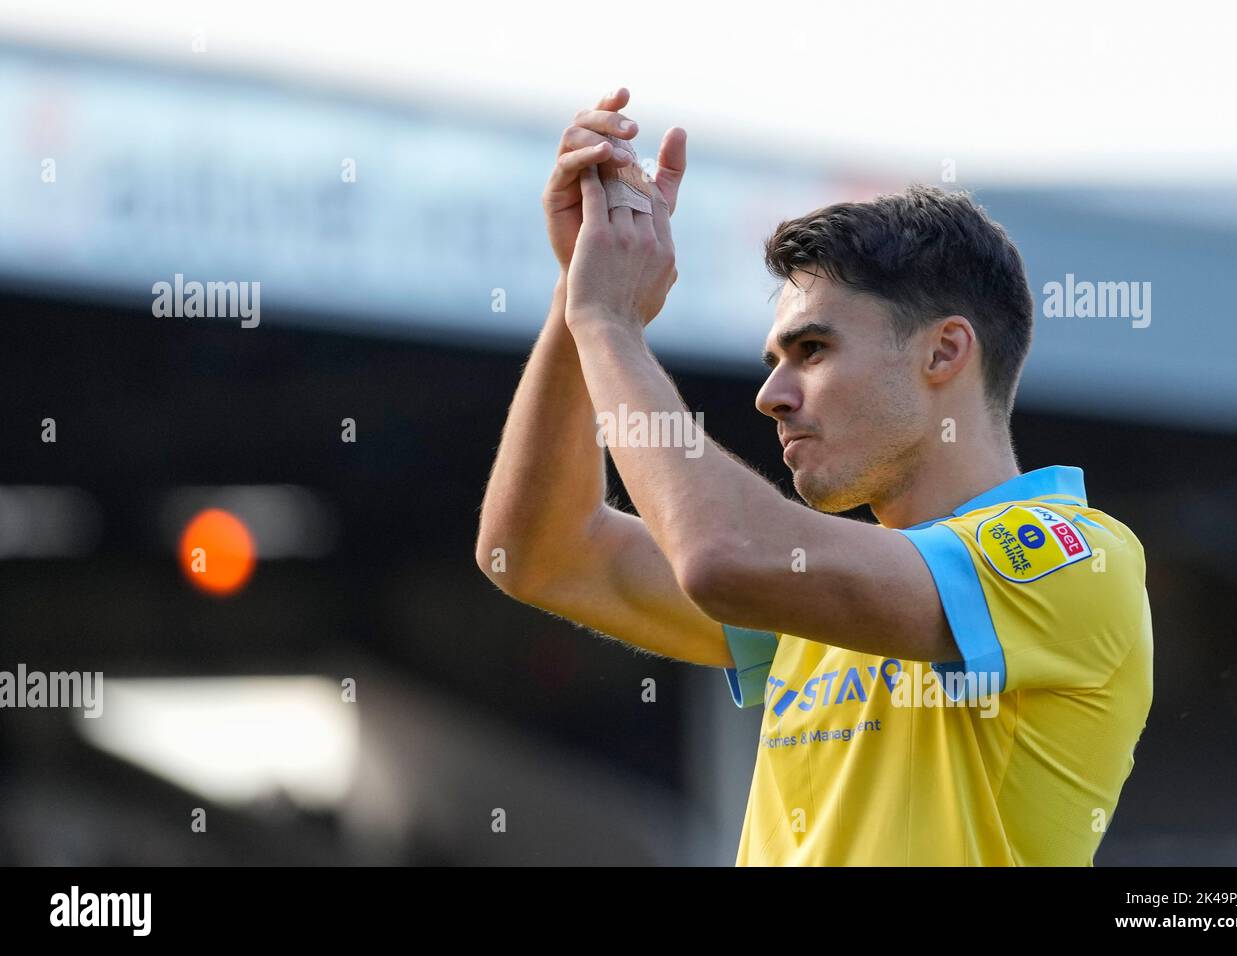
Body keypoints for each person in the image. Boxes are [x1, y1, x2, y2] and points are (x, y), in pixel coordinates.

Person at [475, 87, 1152, 866]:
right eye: (776, 361)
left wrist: (610, 323)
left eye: (814, 351)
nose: (771, 396)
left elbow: (723, 555)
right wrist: (576, 292)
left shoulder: (1076, 557)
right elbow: (537, 553)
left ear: (943, 353)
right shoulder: (823, 588)